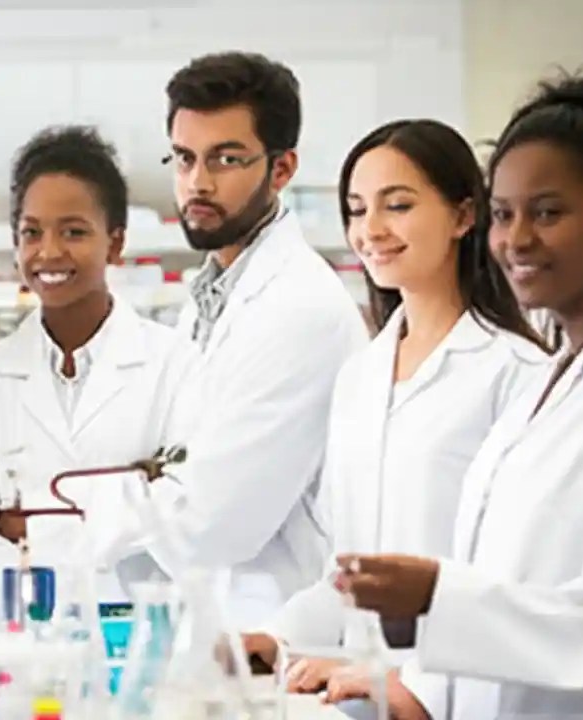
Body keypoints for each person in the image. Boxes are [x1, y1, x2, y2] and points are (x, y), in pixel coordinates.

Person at [335, 75, 583, 718]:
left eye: (548, 212)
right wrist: (424, 690)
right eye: (504, 214)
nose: (516, 240)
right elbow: (509, 584)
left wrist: (438, 598)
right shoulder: (556, 381)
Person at [240, 120, 551, 715]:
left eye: (398, 205)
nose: (371, 231)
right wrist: (275, 640)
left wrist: (414, 682)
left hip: (454, 698)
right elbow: (349, 569)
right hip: (357, 692)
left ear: (465, 216)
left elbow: (518, 586)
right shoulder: (361, 374)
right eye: (357, 210)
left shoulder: (516, 372)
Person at [0, 126, 199, 600]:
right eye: (31, 233)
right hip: (27, 629)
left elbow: (186, 505)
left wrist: (31, 520)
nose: (49, 252)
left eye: (73, 231)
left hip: (140, 619)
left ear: (115, 244)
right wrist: (130, 489)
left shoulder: (173, 361)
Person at [150, 51, 368, 625]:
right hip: (223, 627)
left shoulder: (301, 309)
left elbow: (210, 529)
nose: (197, 182)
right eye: (184, 158)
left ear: (281, 168)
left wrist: (122, 493)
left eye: (225, 159)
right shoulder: (209, 297)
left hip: (282, 632)